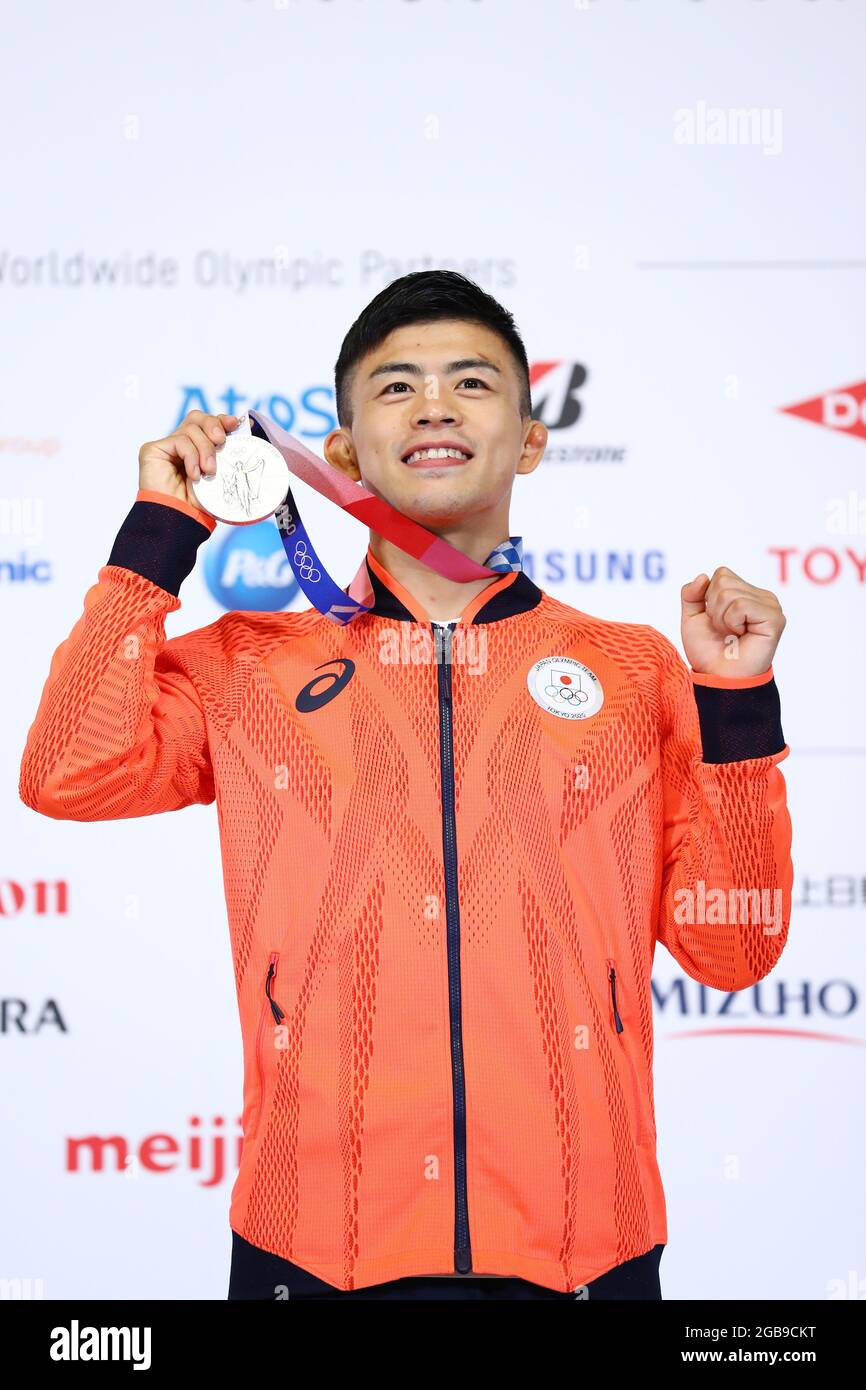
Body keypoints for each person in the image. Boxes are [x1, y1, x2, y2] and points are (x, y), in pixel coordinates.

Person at [18, 270, 793, 1301]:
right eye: (394, 387)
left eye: (471, 382)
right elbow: (69, 770)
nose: (432, 403)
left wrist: (734, 700)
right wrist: (159, 531)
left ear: (527, 437)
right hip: (309, 1246)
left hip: (584, 1249)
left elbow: (731, 946)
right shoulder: (251, 661)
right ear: (339, 451)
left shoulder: (632, 666)